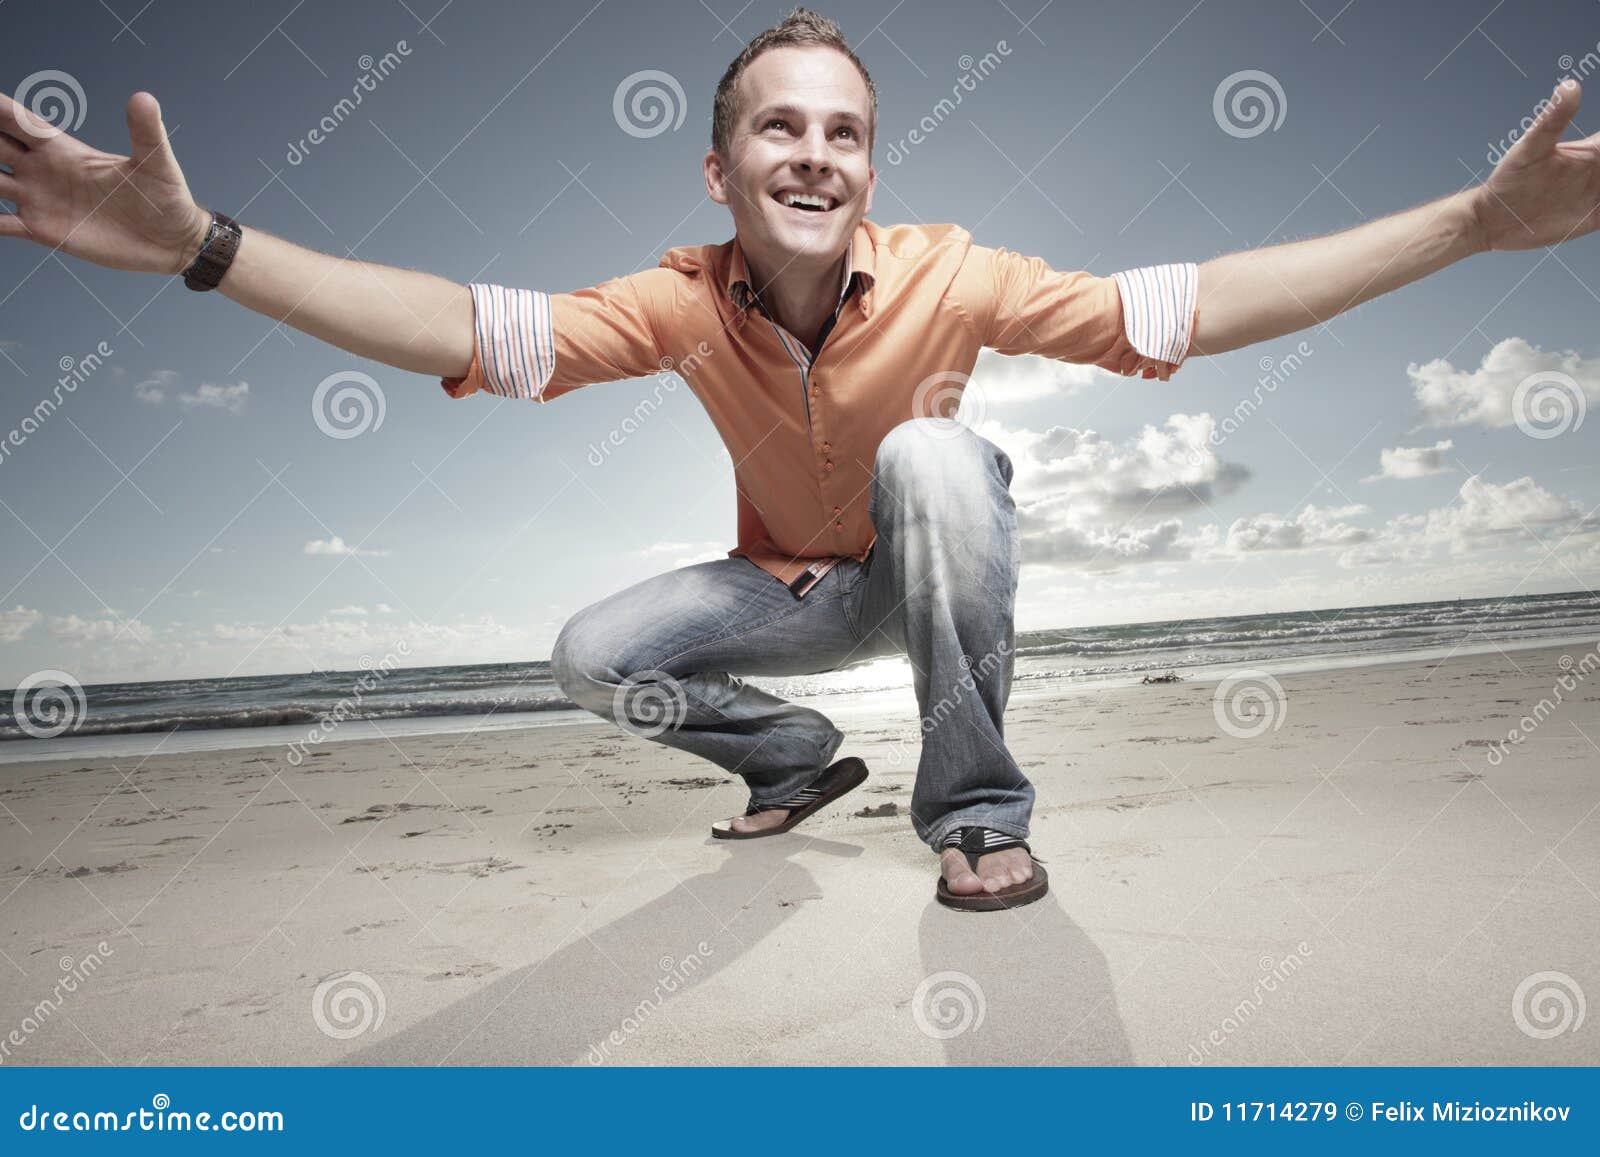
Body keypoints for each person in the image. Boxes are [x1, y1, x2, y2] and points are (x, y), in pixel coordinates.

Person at [4, 9, 1596, 911]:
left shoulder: (959, 271)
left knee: (938, 453)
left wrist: (1471, 221)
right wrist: (206, 247)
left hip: (929, 552)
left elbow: (1192, 305)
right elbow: (466, 328)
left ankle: (975, 810)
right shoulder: (677, 299)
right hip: (791, 592)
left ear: (871, 166)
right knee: (591, 653)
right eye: (780, 127)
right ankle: (789, 756)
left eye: (844, 132)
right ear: (722, 167)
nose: (815, 154)